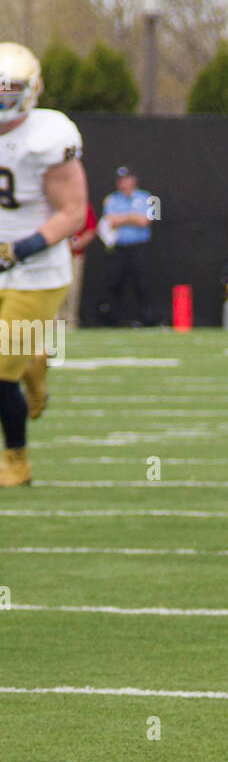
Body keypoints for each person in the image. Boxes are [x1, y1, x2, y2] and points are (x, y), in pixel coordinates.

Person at [0, 42, 87, 486]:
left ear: (31, 90)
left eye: (8, 90)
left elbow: (73, 211)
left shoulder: (47, 135)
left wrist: (20, 247)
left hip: (35, 271)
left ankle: (17, 461)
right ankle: (34, 357)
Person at [97, 166, 156, 326]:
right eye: (120, 180)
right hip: (119, 248)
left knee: (142, 283)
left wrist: (123, 218)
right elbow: (110, 220)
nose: (123, 183)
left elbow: (146, 221)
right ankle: (113, 320)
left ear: (134, 179)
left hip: (139, 247)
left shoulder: (148, 198)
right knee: (115, 283)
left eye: (126, 179)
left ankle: (147, 319)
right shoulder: (111, 199)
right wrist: (133, 217)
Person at [63, 200, 97, 328]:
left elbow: (91, 229)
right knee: (54, 286)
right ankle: (54, 320)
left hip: (74, 254)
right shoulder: (52, 203)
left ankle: (70, 320)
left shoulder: (82, 205)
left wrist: (77, 243)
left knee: (72, 288)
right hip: (54, 256)